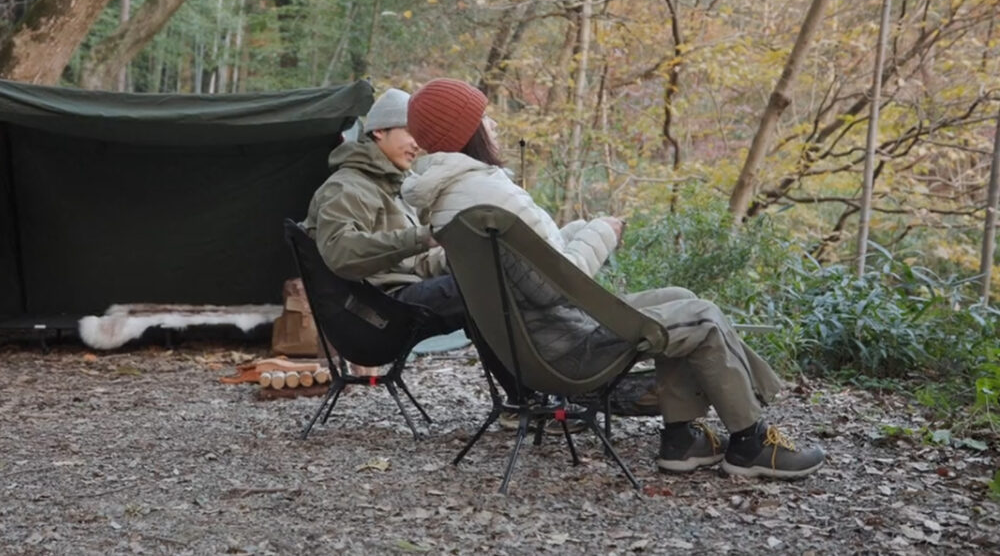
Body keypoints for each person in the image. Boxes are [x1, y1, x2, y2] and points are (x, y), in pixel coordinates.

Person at [400, 78, 826, 480]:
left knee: (677, 296)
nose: (493, 124)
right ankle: (751, 443)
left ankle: (682, 440)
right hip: (565, 344)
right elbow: (560, 282)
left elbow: (528, 265)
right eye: (484, 117)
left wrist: (576, 230)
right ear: (468, 133)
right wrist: (603, 231)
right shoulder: (490, 195)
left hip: (532, 340)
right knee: (701, 316)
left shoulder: (454, 200)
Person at [301, 88, 463, 341]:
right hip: (377, 311)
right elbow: (340, 253)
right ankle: (524, 376)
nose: (417, 145)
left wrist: (461, 256)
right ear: (379, 130)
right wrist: (422, 237)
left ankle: (521, 375)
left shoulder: (398, 188)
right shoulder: (347, 187)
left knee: (490, 275)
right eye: (410, 132)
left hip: (399, 299)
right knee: (485, 288)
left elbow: (414, 263)